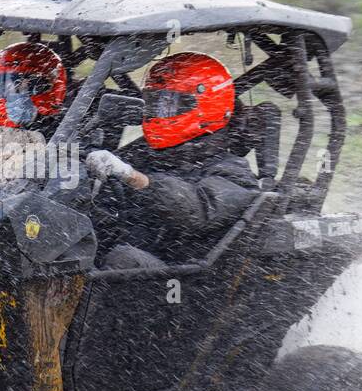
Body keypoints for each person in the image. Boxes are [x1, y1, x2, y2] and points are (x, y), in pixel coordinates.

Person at [102, 51, 260, 266]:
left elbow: (196, 211)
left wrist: (135, 178)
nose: (159, 112)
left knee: (123, 259)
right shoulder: (152, 155)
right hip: (139, 258)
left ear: (208, 106)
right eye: (154, 102)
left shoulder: (234, 172)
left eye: (171, 104)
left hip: (180, 284)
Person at [0, 41, 68, 134]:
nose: (13, 94)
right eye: (4, 86)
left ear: (56, 86)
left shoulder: (69, 133)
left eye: (29, 85)